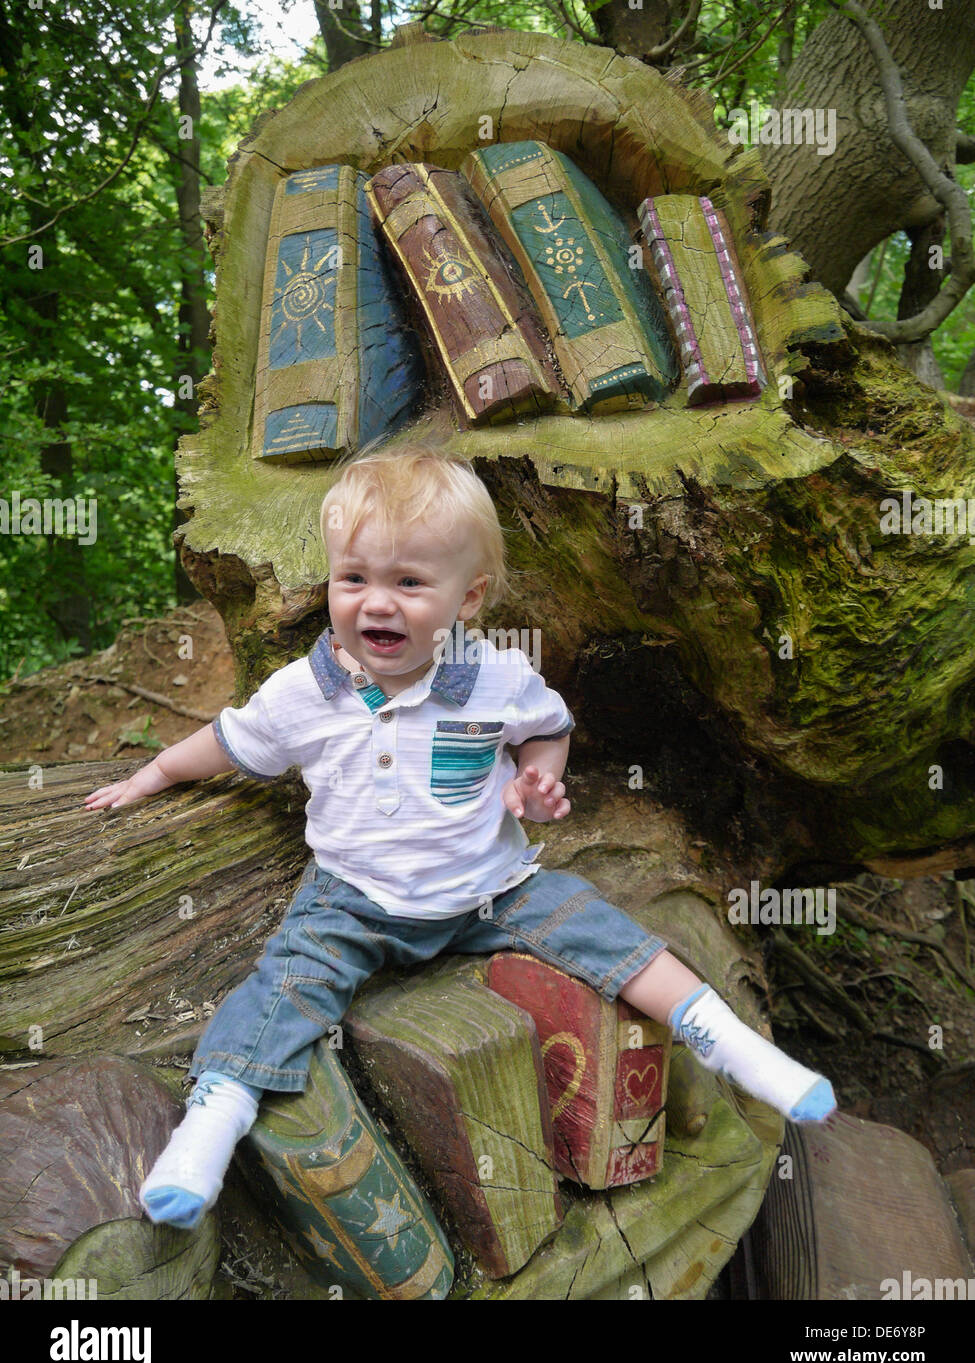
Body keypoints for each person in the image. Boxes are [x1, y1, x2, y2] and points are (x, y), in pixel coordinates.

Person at [85, 443, 836, 1231]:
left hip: (490, 891)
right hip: (354, 901)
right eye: (355, 579)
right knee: (284, 987)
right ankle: (217, 1112)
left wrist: (535, 780)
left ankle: (725, 1040)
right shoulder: (306, 691)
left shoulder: (494, 679)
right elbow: (231, 739)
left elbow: (548, 728)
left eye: (409, 582)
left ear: (467, 596)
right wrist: (154, 774)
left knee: (604, 931)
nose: (377, 603)